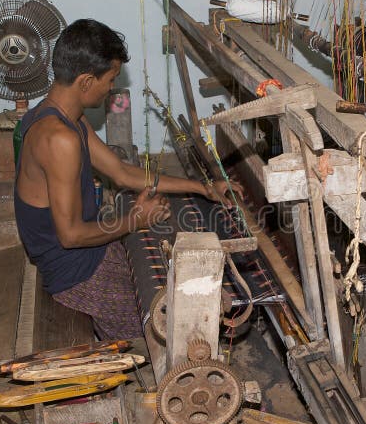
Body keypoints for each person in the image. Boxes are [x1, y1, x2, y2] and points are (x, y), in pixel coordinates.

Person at [15, 19, 242, 340]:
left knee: (170, 282)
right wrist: (135, 219)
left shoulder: (63, 118)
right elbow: (71, 236)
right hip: (74, 274)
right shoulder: (58, 138)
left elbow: (121, 172)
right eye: (110, 80)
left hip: (86, 255)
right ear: (85, 81)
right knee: (166, 328)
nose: (111, 88)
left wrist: (203, 188)